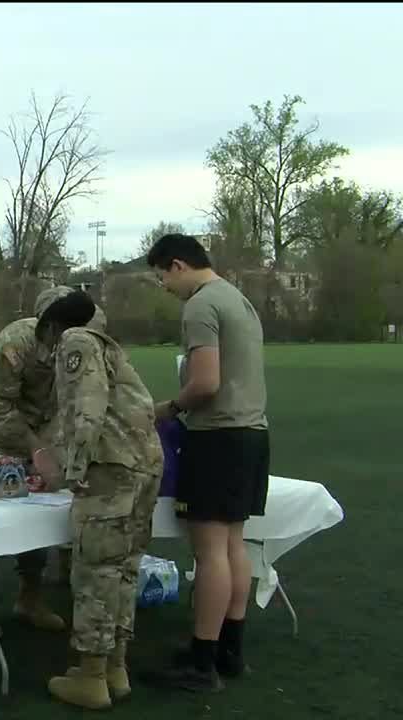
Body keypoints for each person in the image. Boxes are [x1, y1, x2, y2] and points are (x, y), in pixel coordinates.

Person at [142, 233, 269, 692]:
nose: (164, 287)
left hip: (217, 437)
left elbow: (206, 382)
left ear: (178, 266)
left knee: (210, 551)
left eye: (162, 276)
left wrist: (168, 408)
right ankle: (227, 649)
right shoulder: (237, 298)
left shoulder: (200, 305)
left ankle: (201, 663)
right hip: (252, 435)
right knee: (234, 547)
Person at [33, 290, 162, 709]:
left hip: (110, 468)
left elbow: (88, 407)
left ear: (53, 327)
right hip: (143, 465)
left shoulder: (76, 343)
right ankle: (115, 668)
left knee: (94, 572)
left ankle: (91, 677)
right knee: (124, 569)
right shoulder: (109, 348)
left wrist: (73, 470)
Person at [0, 285, 83, 638]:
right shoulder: (16, 342)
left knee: (41, 506)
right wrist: (35, 448)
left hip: (43, 426)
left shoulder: (82, 338)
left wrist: (53, 449)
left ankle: (30, 596)